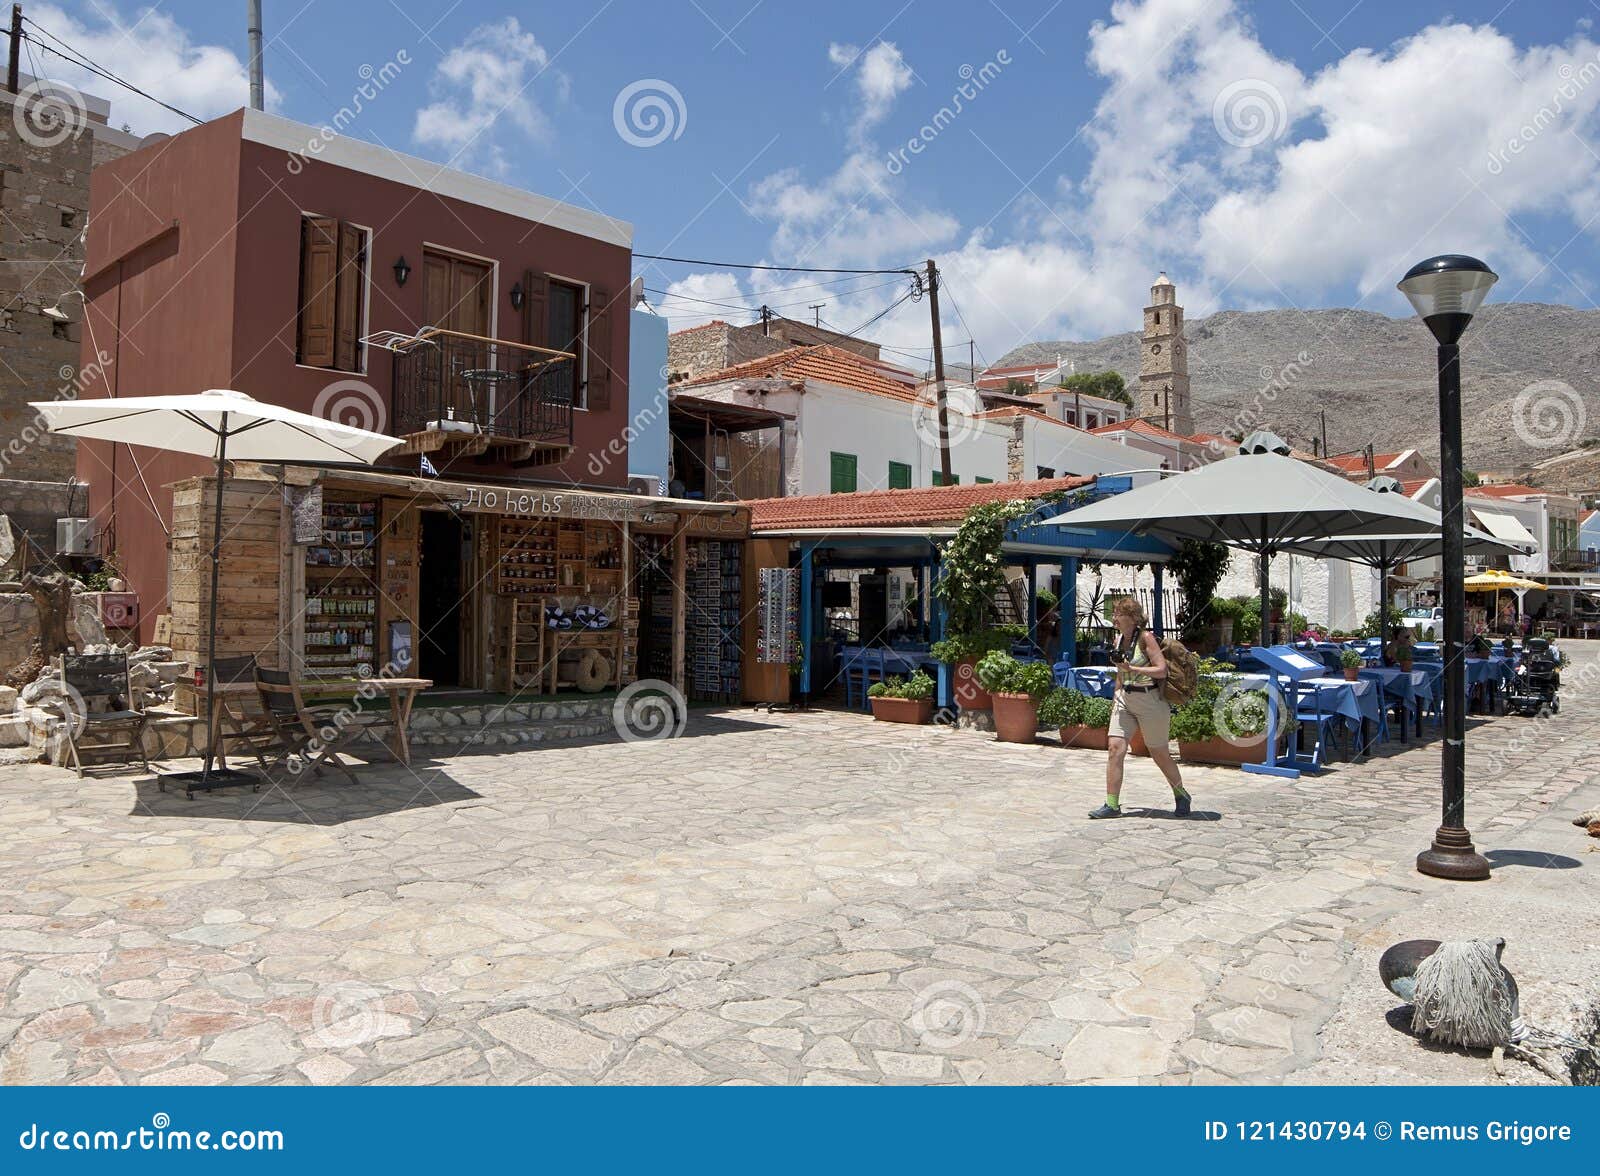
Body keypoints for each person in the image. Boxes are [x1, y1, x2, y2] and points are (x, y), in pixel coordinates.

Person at [1089, 596, 1191, 819]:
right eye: (1114, 613)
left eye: (1119, 614)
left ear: (1133, 618)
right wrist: (1116, 696)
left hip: (1150, 701)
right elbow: (1120, 672)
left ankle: (1181, 794)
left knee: (1159, 753)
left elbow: (1161, 670)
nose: (1114, 618)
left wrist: (1133, 668)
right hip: (1126, 699)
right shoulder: (1118, 640)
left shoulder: (1146, 639)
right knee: (1115, 749)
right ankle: (1112, 805)